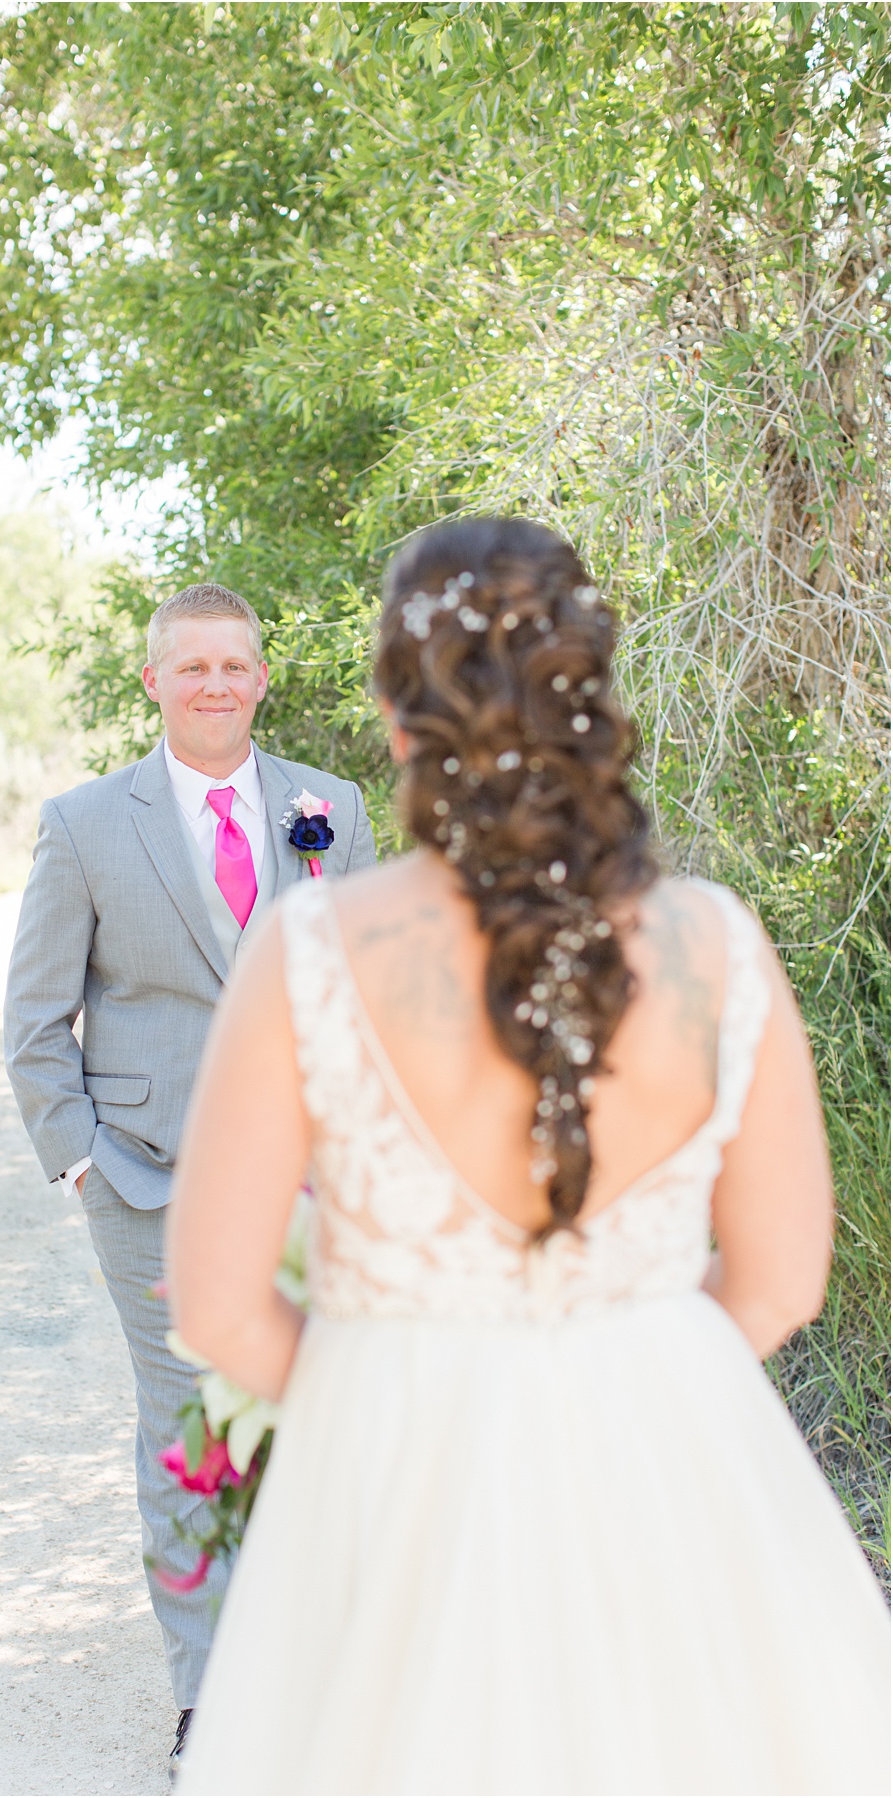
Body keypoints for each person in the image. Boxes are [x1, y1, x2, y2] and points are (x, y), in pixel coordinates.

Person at [166, 520, 889, 1795]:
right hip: (672, 1454)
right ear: (591, 697)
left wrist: (379, 1385)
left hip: (395, 1480)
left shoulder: (311, 949)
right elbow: (781, 1283)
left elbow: (220, 1302)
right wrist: (626, 1366)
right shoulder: (718, 942)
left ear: (398, 718)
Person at [2, 583, 376, 1768]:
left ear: (264, 677)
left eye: (235, 664)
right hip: (150, 1182)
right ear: (154, 682)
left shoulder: (335, 808)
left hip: (310, 1189)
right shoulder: (84, 823)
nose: (216, 683)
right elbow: (33, 1018)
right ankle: (211, 1698)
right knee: (187, 1432)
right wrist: (81, 1161)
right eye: (192, 666)